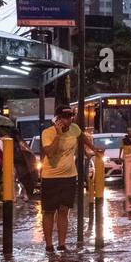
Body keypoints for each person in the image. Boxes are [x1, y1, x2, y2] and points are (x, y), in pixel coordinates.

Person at [40, 107, 91, 253]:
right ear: (58, 118)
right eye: (64, 117)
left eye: (70, 116)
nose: (68, 119)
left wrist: (92, 149)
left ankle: (61, 244)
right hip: (50, 177)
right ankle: (49, 245)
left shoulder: (74, 128)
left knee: (64, 210)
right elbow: (49, 153)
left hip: (69, 176)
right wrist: (58, 134)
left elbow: (82, 137)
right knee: (49, 211)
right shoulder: (48, 132)